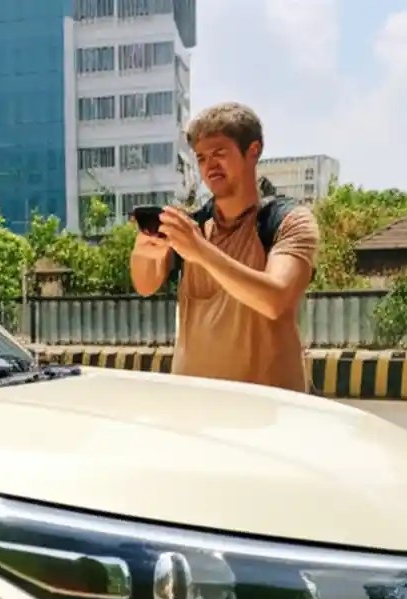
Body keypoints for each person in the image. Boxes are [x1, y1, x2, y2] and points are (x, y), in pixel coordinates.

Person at [130, 102, 320, 393]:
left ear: (253, 151)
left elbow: (275, 299)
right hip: (197, 413)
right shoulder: (193, 227)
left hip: (270, 416)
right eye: (202, 157)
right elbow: (144, 284)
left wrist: (201, 253)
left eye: (220, 153)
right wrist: (144, 251)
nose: (209, 166)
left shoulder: (287, 221)